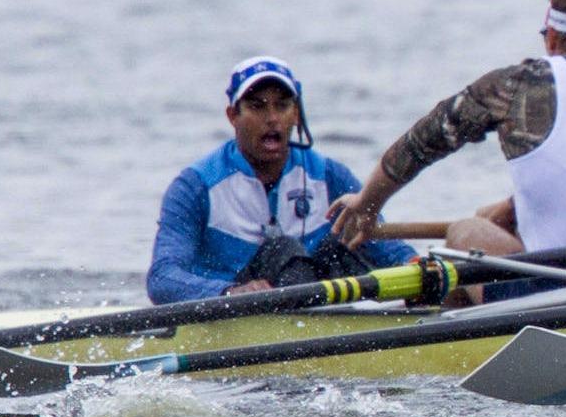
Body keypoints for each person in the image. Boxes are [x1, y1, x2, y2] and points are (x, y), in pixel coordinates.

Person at [327, 0, 566, 291]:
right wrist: (511, 208)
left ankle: (460, 351)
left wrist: (368, 203)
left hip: (548, 293)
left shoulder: (520, 84)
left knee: (466, 231)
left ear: (551, 37)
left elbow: (423, 141)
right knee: (490, 216)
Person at [148, 58, 413, 302]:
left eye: (282, 105)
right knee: (283, 250)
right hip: (235, 313)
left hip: (311, 303)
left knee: (344, 247)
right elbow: (162, 277)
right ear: (232, 117)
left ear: (295, 114)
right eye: (257, 106)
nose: (272, 118)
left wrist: (417, 267)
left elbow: (389, 251)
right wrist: (228, 292)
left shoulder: (330, 177)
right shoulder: (195, 188)